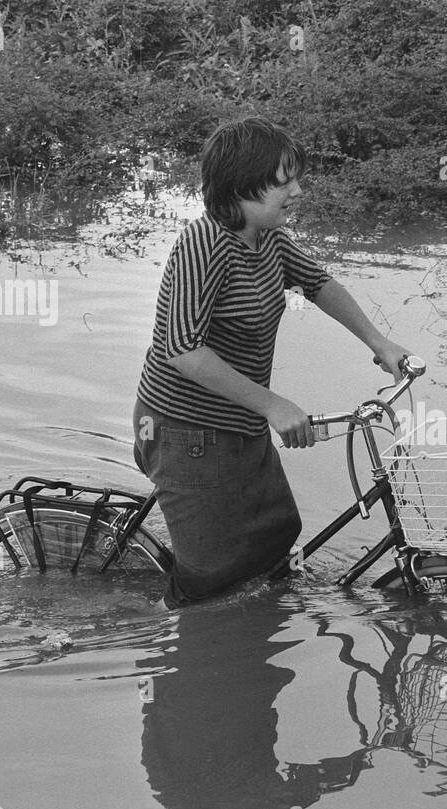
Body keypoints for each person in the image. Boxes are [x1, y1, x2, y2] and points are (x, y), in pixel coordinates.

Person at [132, 117, 409, 608]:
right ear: (241, 187)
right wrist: (274, 406)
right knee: (209, 579)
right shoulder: (204, 243)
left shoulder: (267, 240)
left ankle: (251, 637)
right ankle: (168, 636)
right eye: (285, 181)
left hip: (240, 421)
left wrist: (379, 342)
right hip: (184, 430)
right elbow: (182, 349)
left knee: (274, 536)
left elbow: (320, 285)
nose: (298, 191)